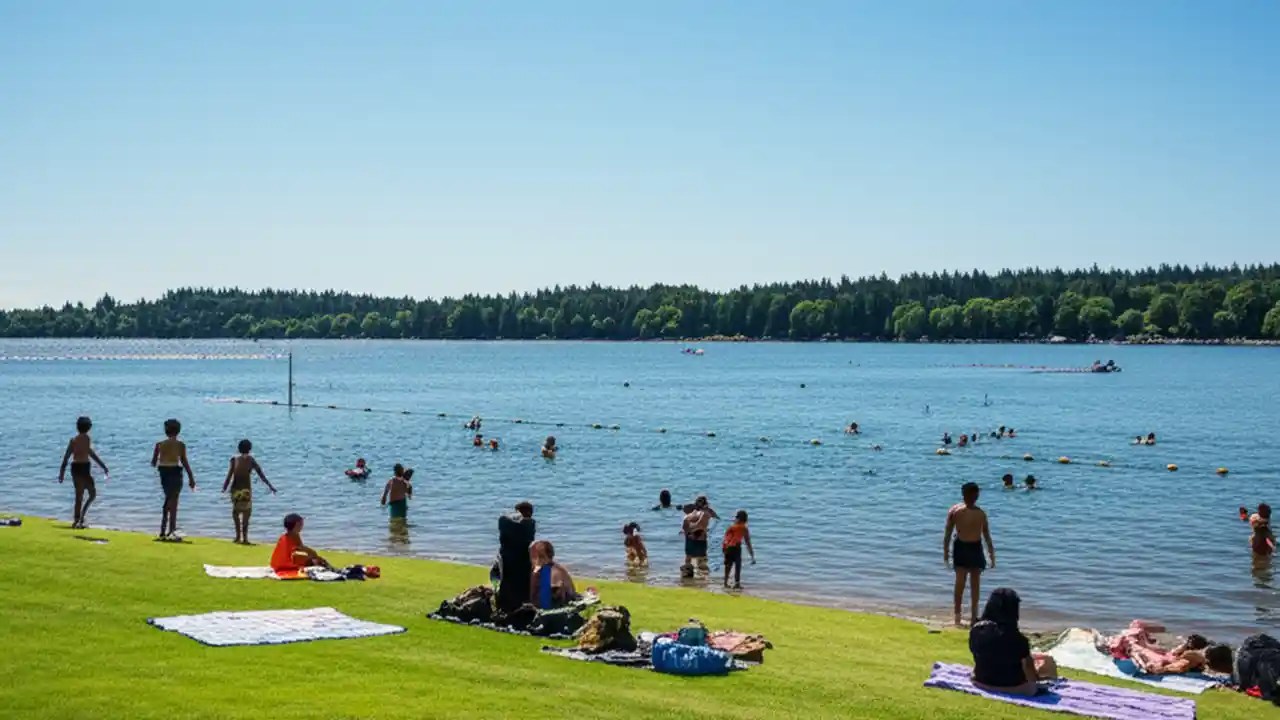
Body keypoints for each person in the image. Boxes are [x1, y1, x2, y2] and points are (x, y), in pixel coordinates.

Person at [970, 588, 1058, 696]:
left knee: (1038, 659)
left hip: (980, 682)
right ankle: (1054, 684)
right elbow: (1031, 675)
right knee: (1048, 662)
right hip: (1013, 687)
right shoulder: (1017, 639)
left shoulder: (976, 630)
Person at [944, 482, 996, 627]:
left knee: (975, 584)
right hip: (962, 546)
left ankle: (974, 617)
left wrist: (991, 554)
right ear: (964, 495)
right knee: (960, 583)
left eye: (975, 495)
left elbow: (986, 535)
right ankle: (957, 616)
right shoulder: (956, 510)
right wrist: (945, 552)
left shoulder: (980, 513)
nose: (973, 497)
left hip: (975, 547)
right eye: (971, 495)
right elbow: (948, 533)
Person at [221, 439, 276, 544]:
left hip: (235, 488)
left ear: (238, 448)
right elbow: (261, 474)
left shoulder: (234, 459)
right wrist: (270, 486)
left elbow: (229, 475)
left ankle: (237, 537)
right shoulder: (251, 460)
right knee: (246, 513)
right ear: (250, 449)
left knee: (235, 513)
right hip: (246, 489)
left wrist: (224, 487)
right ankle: (245, 538)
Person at [58, 416, 109, 530]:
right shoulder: (87, 438)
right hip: (84, 467)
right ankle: (81, 518)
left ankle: (77, 520)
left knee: (79, 495)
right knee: (92, 494)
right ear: (88, 428)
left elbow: (66, 457)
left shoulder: (73, 440)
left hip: (75, 467)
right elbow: (90, 453)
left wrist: (61, 472)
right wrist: (103, 466)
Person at [151, 418, 196, 540]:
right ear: (178, 431)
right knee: (173, 502)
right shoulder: (181, 445)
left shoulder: (159, 444)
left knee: (168, 499)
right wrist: (191, 478)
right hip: (176, 472)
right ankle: (170, 530)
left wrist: (160, 458)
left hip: (164, 472)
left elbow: (154, 462)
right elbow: (184, 462)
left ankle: (164, 530)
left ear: (166, 431)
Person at [496, 501, 536, 612]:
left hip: (511, 559)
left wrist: (516, 514)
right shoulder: (530, 526)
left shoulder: (526, 525)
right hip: (522, 561)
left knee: (508, 584)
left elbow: (502, 519)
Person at [529, 540, 578, 609]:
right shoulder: (560, 568)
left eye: (532, 555)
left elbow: (540, 601)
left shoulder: (544, 571)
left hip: (552, 608)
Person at [722, 510, 756, 589]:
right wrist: (752, 555)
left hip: (728, 547)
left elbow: (726, 539)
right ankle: (737, 583)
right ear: (745, 519)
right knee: (738, 565)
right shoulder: (744, 528)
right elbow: (748, 542)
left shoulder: (731, 527)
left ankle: (725, 582)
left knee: (728, 566)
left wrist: (724, 548)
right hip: (736, 547)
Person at [682, 503, 711, 575]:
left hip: (690, 542)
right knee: (702, 562)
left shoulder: (687, 517)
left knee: (688, 559)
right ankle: (704, 580)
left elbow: (685, 529)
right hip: (702, 542)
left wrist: (688, 533)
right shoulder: (703, 516)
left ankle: (687, 576)